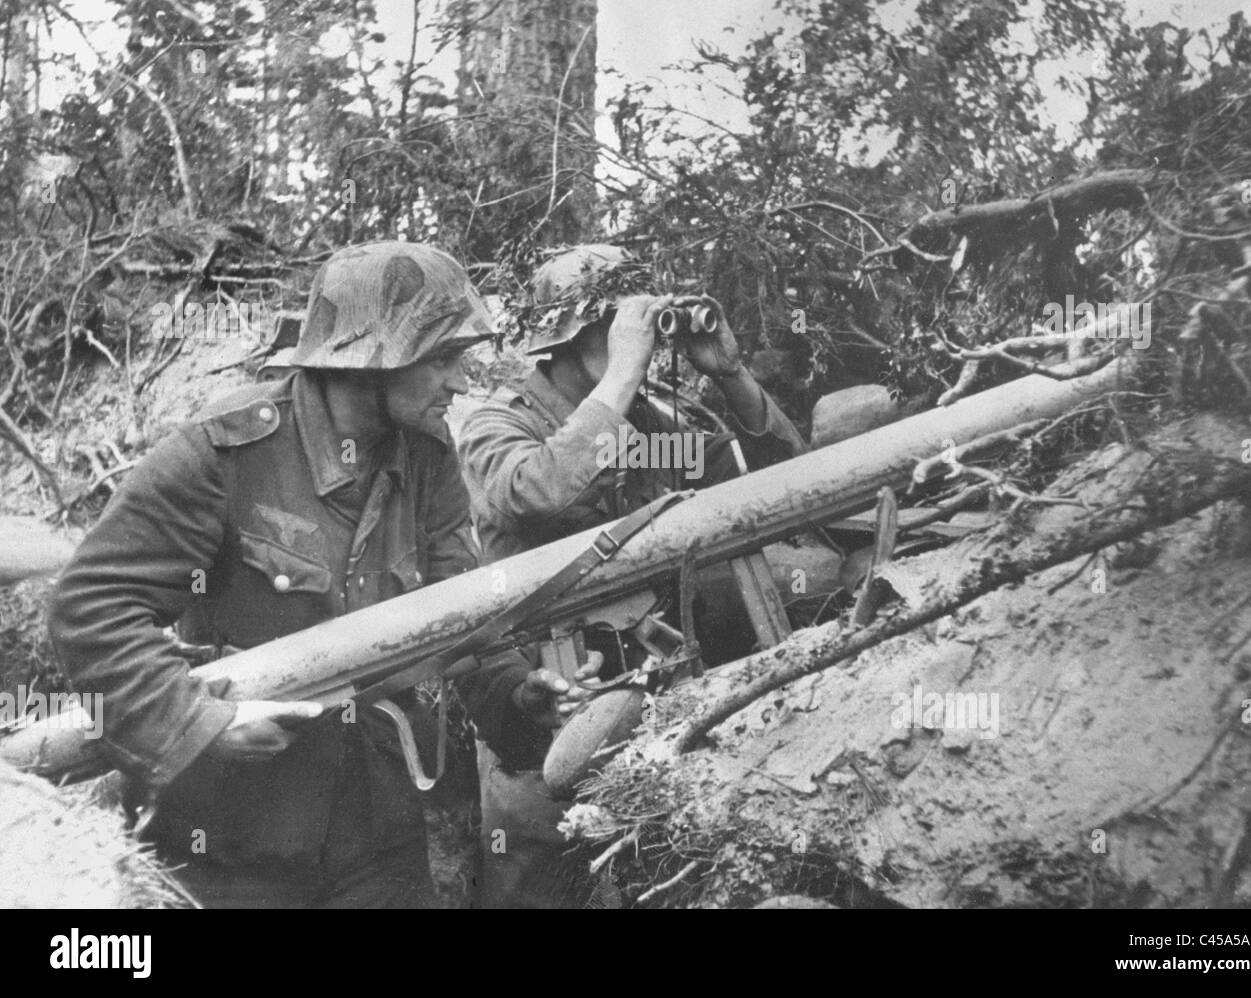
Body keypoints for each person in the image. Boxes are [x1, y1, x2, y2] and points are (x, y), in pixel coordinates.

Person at [48, 241, 588, 908]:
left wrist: (515, 695)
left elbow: (461, 612)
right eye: (443, 356)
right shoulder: (224, 452)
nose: (461, 380)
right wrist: (200, 722)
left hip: (378, 832)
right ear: (371, 360)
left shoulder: (426, 458)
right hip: (233, 842)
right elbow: (90, 607)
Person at [458, 244, 806, 907]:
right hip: (540, 726)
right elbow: (534, 491)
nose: (640, 339)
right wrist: (620, 375)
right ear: (564, 336)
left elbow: (780, 483)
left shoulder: (651, 426)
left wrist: (730, 375)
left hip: (657, 719)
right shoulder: (498, 425)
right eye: (617, 324)